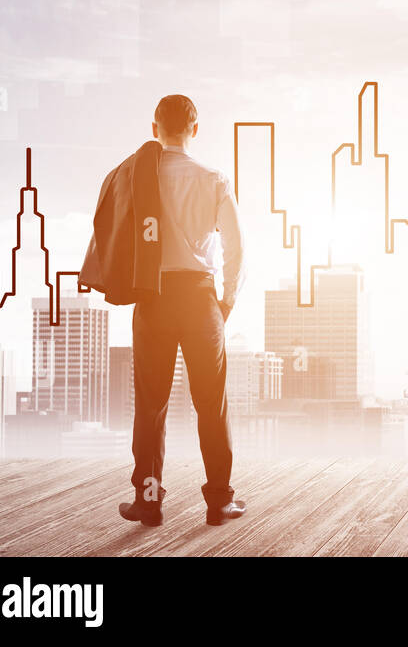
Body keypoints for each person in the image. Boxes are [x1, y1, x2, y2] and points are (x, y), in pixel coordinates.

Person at [115, 94, 247, 527]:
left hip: (153, 297)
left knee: (151, 405)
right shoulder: (213, 179)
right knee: (212, 404)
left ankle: (149, 502)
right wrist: (225, 301)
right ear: (195, 129)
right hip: (200, 296)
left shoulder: (137, 178)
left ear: (154, 129)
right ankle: (219, 502)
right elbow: (237, 247)